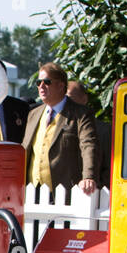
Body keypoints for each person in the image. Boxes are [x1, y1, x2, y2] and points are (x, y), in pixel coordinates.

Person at [23, 63, 98, 197]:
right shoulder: (33, 114)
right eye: (38, 82)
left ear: (61, 85)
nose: (41, 86)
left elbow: (88, 145)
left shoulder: (80, 114)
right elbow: (24, 149)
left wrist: (88, 176)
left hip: (64, 192)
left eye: (47, 82)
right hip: (31, 191)